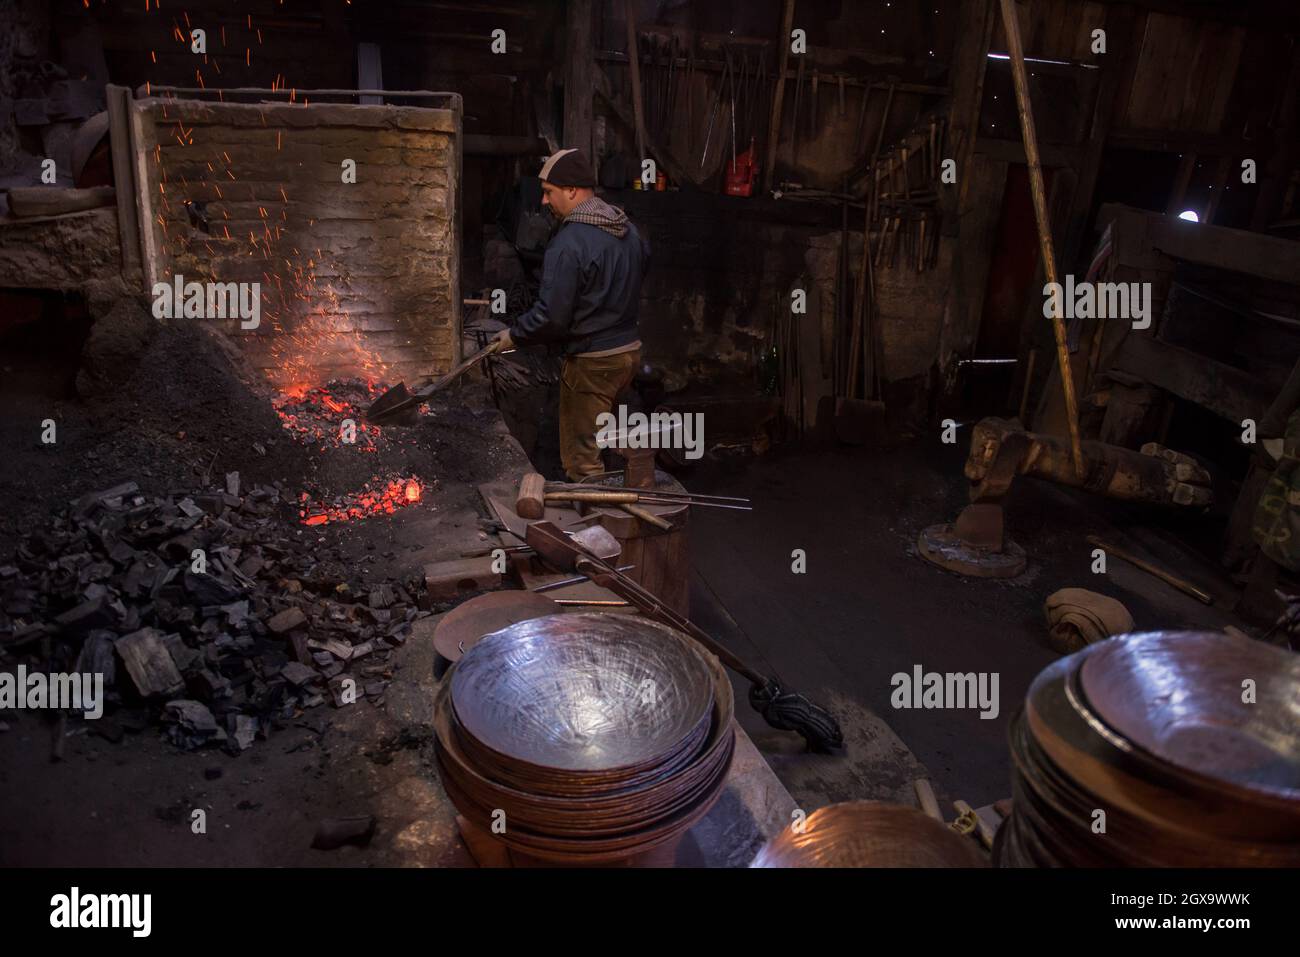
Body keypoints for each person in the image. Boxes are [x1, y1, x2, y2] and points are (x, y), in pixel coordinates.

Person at [495, 148, 649, 481]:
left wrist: (513, 336)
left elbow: (552, 316)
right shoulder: (628, 230)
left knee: (582, 461)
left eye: (549, 193)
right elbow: (640, 273)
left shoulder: (568, 243)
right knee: (608, 438)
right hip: (629, 354)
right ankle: (621, 495)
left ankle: (596, 527)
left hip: (593, 363)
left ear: (572, 190)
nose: (545, 202)